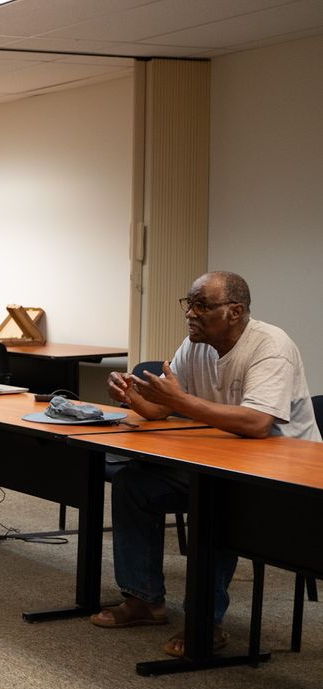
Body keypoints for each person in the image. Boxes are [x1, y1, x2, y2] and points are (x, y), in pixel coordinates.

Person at [94, 271, 319, 656]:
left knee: (214, 499)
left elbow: (257, 423)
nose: (191, 314)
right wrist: (131, 395)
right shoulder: (195, 345)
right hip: (224, 459)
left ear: (236, 312)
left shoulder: (270, 347)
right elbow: (160, 410)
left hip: (284, 473)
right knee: (134, 483)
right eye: (189, 304)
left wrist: (182, 403)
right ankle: (145, 601)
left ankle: (205, 621)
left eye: (202, 305)